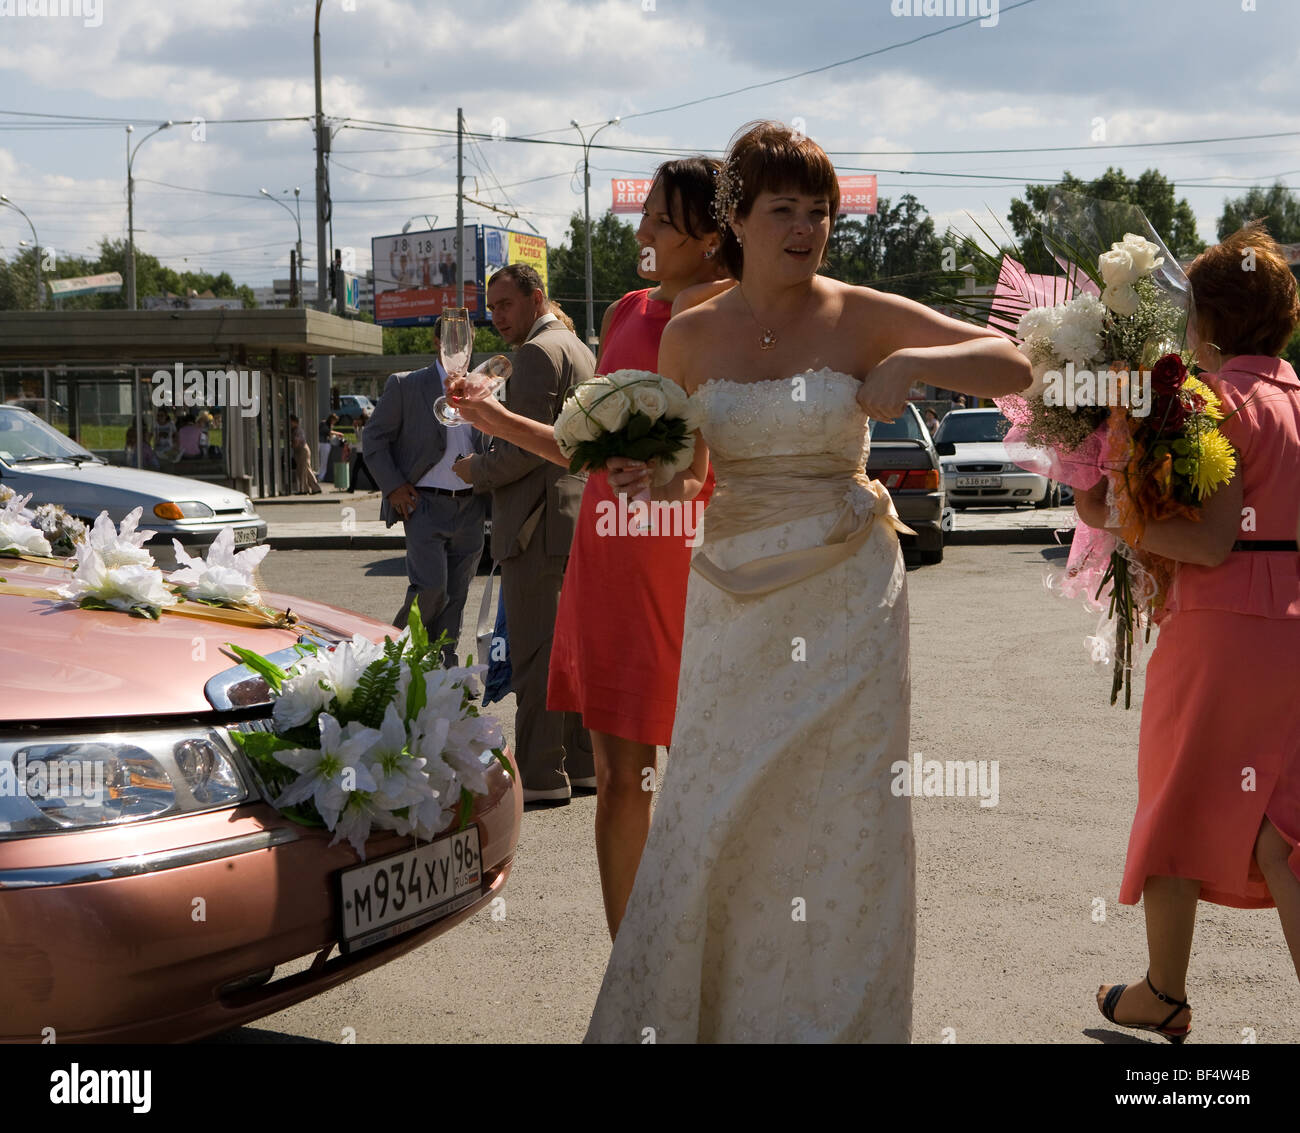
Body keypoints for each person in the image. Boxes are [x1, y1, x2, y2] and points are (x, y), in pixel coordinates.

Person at [585, 120, 1031, 1042]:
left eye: (819, 211)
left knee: (846, 823)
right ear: (735, 221)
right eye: (783, 208)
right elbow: (689, 473)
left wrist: (915, 362)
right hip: (732, 603)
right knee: (714, 810)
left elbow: (1014, 362)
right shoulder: (688, 335)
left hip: (849, 604)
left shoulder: (860, 313)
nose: (805, 227)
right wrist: (647, 472)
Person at [450, 158, 731, 935]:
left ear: (711, 236)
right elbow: (584, 448)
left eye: (662, 222)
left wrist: (677, 477)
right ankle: (633, 975)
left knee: (704, 775)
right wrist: (493, 415)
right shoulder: (624, 312)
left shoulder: (739, 316)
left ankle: (706, 963)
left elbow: (723, 458)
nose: (640, 233)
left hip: (688, 560)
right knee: (617, 778)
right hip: (606, 559)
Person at [1078, 222, 1300, 1042]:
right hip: (1294, 626)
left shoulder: (1209, 399)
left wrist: (1119, 512)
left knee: (1173, 799)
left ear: (1205, 323)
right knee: (1285, 830)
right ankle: (1158, 991)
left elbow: (1205, 540)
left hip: (1223, 629)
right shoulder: (1297, 398)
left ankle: (1164, 992)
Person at [450, 263, 595, 803]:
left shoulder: (537, 353)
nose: (496, 317)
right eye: (491, 307)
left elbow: (524, 448)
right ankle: (581, 766)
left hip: (537, 522)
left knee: (537, 655)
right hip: (574, 517)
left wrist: (474, 470)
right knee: (572, 651)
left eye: (505, 304)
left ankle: (539, 776)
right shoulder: (576, 347)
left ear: (537, 299)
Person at [364, 325, 489, 666]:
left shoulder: (482, 388)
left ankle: (443, 669)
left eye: (466, 341)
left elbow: (492, 440)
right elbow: (373, 439)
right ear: (436, 343)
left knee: (457, 595)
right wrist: (392, 486)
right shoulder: (406, 384)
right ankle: (392, 657)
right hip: (424, 503)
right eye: (452, 341)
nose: (460, 348)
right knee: (432, 589)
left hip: (471, 504)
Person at [289, 414, 321, 494]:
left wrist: (292, 445)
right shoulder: (294, 430)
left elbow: (297, 441)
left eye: (291, 422)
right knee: (305, 469)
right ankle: (314, 488)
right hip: (301, 450)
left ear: (294, 422)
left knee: (303, 470)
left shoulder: (297, 430)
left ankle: (304, 489)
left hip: (302, 450)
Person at [347, 407, 374, 492]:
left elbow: (357, 440)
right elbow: (356, 438)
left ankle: (351, 488)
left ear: (363, 420)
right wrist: (354, 428)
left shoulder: (363, 430)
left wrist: (350, 446)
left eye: (359, 419)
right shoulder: (361, 429)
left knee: (356, 471)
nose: (357, 421)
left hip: (362, 453)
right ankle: (375, 486)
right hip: (361, 452)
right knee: (365, 472)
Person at [319, 412, 344, 478]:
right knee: (322, 461)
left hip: (325, 443)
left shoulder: (330, 425)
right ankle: (320, 476)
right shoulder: (324, 423)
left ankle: (321, 476)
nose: (334, 422)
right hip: (322, 443)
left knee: (324, 461)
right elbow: (327, 431)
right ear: (331, 419)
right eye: (334, 421)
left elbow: (329, 434)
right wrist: (339, 433)